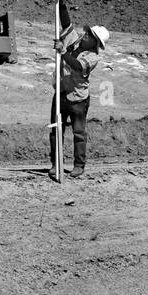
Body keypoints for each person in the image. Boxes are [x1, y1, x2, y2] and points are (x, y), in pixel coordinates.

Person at [51, 24, 109, 180]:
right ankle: (56, 164)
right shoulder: (74, 41)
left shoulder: (93, 57)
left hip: (78, 99)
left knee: (79, 133)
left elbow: (77, 66)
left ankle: (79, 166)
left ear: (95, 43)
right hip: (61, 93)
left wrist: (63, 51)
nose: (86, 35)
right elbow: (66, 22)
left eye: (91, 35)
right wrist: (61, 3)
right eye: (88, 32)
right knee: (56, 130)